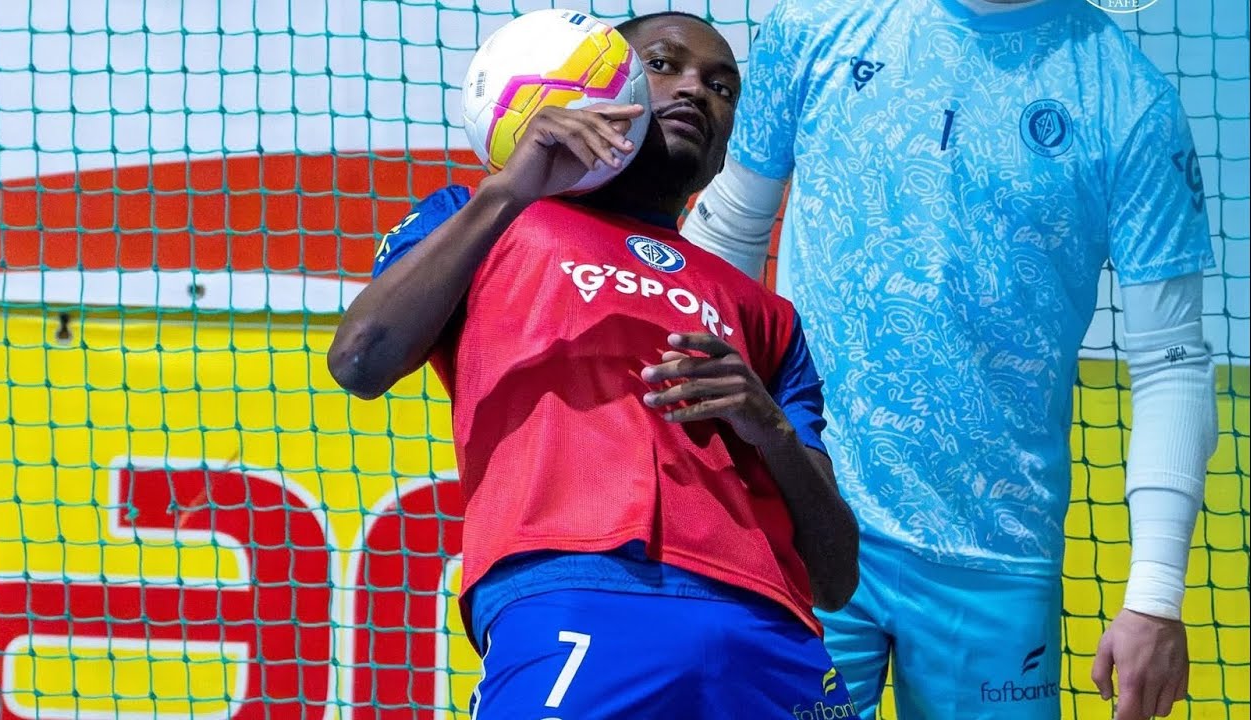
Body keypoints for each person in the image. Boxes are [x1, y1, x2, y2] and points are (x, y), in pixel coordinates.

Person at [681, 1, 1218, 719]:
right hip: (798, 521)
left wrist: (1154, 596)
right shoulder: (813, 23)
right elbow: (726, 240)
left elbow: (1171, 361)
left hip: (996, 564)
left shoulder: (1128, 96)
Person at [328, 11, 861, 718]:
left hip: (773, 633)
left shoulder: (764, 312)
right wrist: (511, 186)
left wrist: (771, 428)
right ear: (598, 81)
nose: (698, 91)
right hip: (577, 595)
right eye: (665, 65)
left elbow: (834, 576)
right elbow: (360, 361)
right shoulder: (483, 218)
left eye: (723, 86)